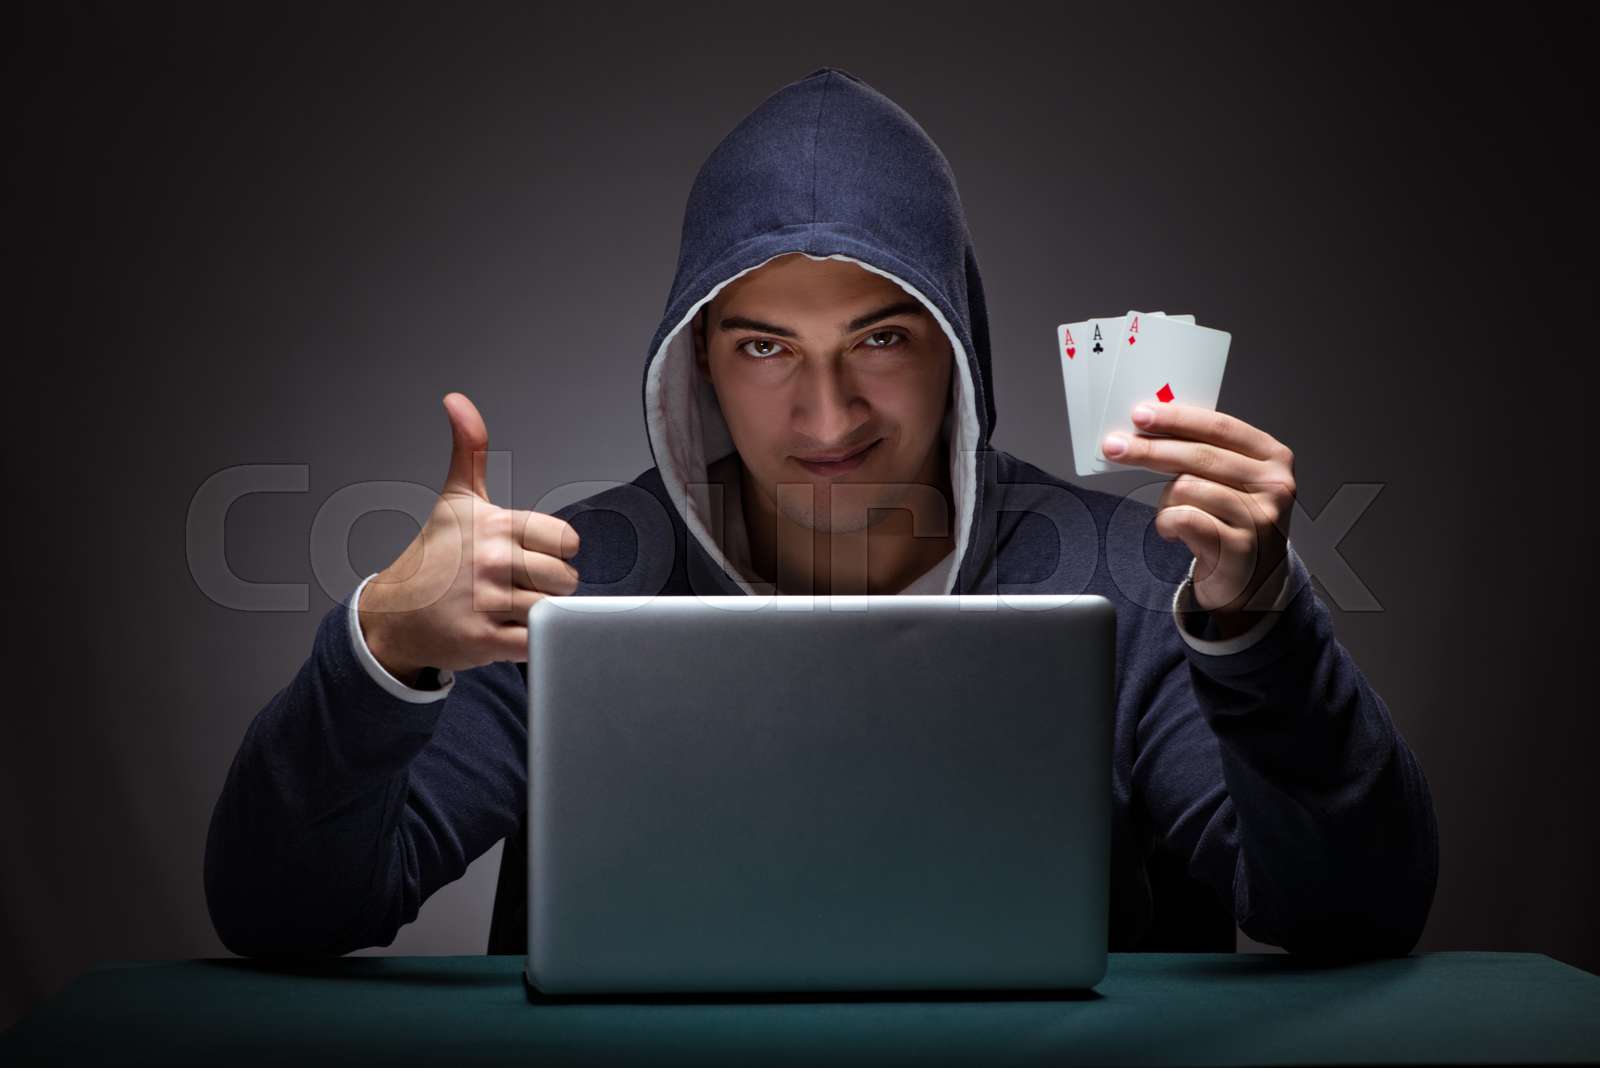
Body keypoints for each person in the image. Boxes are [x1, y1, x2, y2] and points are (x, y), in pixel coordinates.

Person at [204, 67, 1438, 959]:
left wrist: (1258, 623)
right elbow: (284, 914)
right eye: (763, 346)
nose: (828, 410)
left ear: (960, 350)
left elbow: (1350, 913)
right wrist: (384, 646)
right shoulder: (573, 583)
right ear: (695, 363)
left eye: (881, 337)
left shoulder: (1128, 574)